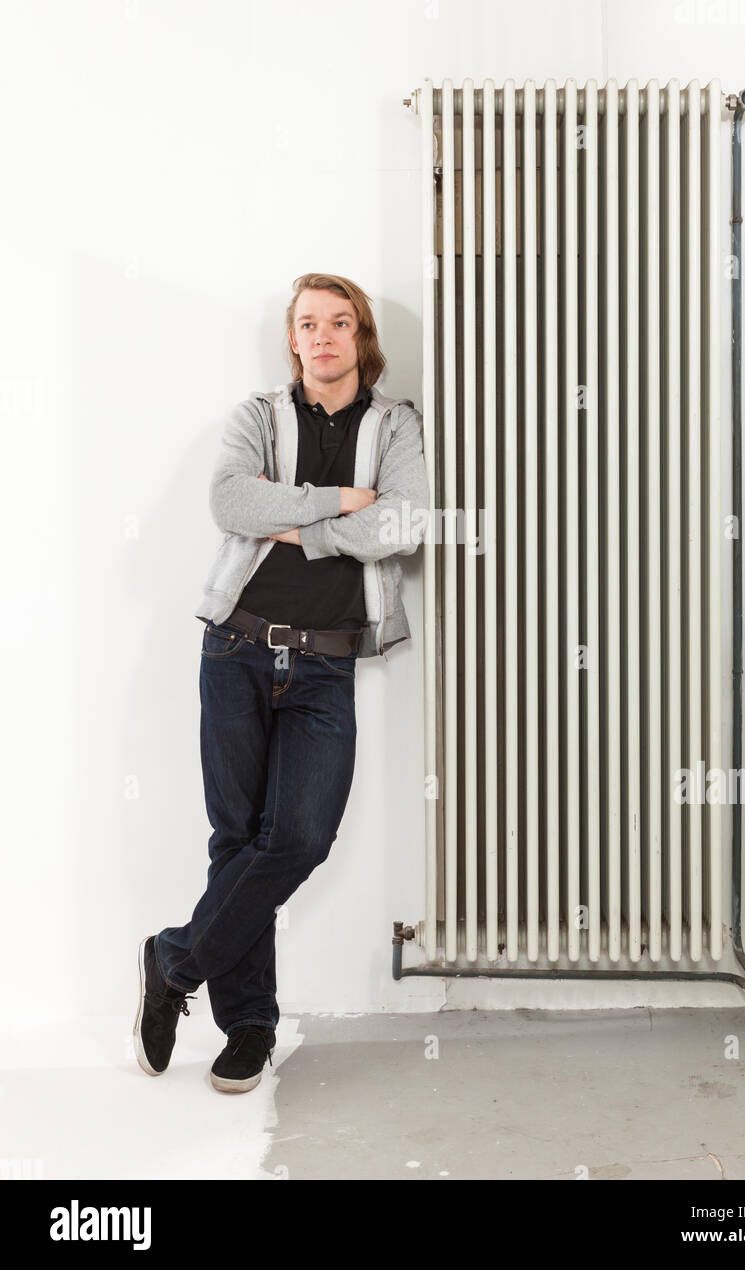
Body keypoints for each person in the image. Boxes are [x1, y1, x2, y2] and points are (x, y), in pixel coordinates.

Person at [132, 272, 430, 1092]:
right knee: (236, 841)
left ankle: (173, 961)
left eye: (340, 323)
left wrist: (293, 520)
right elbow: (231, 502)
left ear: (360, 336)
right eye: (309, 324)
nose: (324, 337)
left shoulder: (395, 425)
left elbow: (404, 523)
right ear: (293, 338)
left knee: (297, 839)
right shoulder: (257, 417)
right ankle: (251, 1027)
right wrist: (339, 505)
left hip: (325, 663)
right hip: (235, 649)